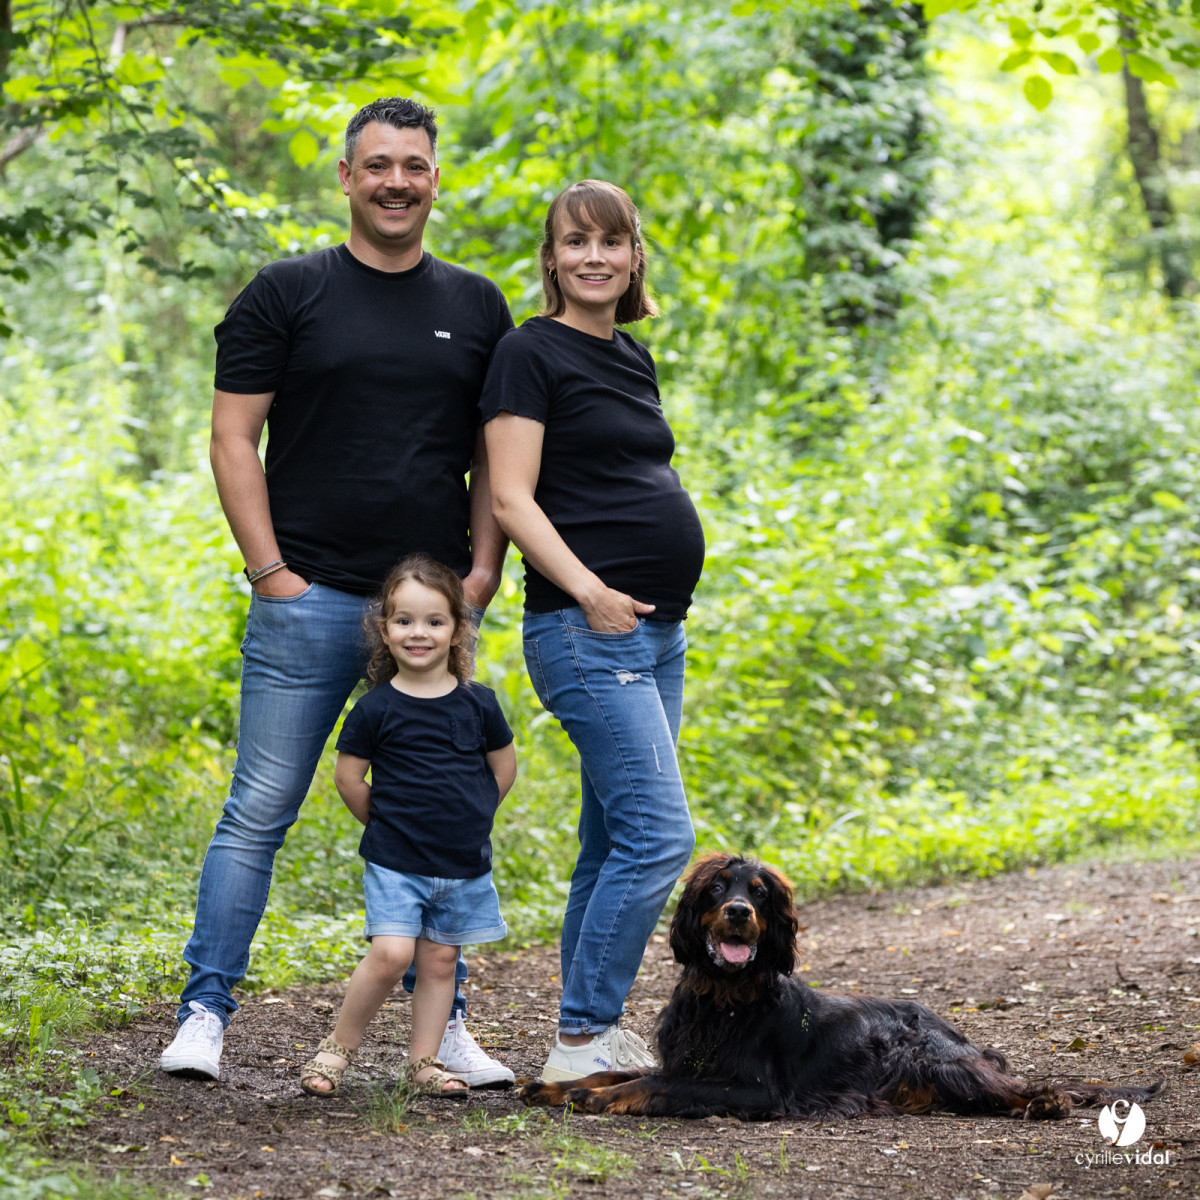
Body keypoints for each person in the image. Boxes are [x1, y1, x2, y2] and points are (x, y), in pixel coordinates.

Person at [160, 97, 516, 1088]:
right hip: (307, 597)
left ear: (435, 178)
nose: (397, 181)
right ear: (348, 178)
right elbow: (235, 437)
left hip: (430, 615)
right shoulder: (285, 293)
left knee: (445, 812)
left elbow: (495, 458)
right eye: (378, 165)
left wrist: (482, 569)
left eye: (414, 165)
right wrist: (270, 571)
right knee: (261, 805)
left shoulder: (479, 306)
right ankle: (204, 1014)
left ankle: (440, 1031)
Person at [480, 180, 704, 1081]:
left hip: (656, 636)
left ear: (634, 255)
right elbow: (508, 495)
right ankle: (581, 1037)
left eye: (612, 241)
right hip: (585, 630)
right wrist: (588, 588)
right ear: (552, 258)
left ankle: (586, 1030)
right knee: (659, 835)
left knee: (612, 838)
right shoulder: (527, 354)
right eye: (576, 242)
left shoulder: (631, 355)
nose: (595, 256)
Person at [299, 555, 516, 1098]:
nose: (419, 633)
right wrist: (388, 824)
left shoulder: (478, 704)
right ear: (384, 628)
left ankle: (424, 1062)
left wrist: (472, 814)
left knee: (441, 960)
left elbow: (503, 766)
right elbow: (349, 778)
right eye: (404, 621)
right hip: (397, 860)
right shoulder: (375, 708)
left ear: (457, 629)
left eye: (434, 621)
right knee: (393, 954)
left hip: (461, 862)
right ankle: (336, 1050)